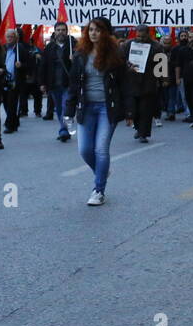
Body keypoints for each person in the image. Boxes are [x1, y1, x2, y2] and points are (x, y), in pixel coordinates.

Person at [66, 17, 126, 206]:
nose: (93, 33)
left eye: (98, 30)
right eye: (90, 29)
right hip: (86, 107)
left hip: (107, 108)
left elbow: (123, 85)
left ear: (106, 33)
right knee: (85, 150)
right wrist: (68, 110)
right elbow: (74, 85)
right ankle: (103, 170)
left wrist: (130, 112)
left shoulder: (115, 55)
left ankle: (98, 190)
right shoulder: (80, 55)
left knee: (101, 149)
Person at [121, 25, 164, 143]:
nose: (140, 38)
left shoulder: (157, 46)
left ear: (148, 34)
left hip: (148, 82)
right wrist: (127, 66)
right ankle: (138, 128)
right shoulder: (127, 44)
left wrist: (163, 79)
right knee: (134, 109)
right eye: (138, 36)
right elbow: (120, 59)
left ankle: (143, 134)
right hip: (132, 81)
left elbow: (162, 63)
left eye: (143, 36)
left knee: (146, 109)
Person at [39, 22, 75, 142]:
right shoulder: (50, 47)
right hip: (54, 83)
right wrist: (42, 83)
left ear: (67, 31)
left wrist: (75, 59)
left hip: (68, 83)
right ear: (54, 31)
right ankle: (64, 127)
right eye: (58, 30)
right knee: (59, 108)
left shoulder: (73, 45)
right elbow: (43, 66)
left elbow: (82, 63)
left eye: (63, 30)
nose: (61, 32)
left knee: (65, 105)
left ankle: (64, 130)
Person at [1, 27, 26, 133]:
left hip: (15, 80)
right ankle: (14, 120)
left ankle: (9, 125)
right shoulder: (3, 49)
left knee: (12, 102)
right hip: (3, 79)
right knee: (6, 102)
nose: (10, 38)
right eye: (8, 37)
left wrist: (22, 65)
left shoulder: (20, 48)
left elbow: (29, 63)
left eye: (12, 37)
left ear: (16, 38)